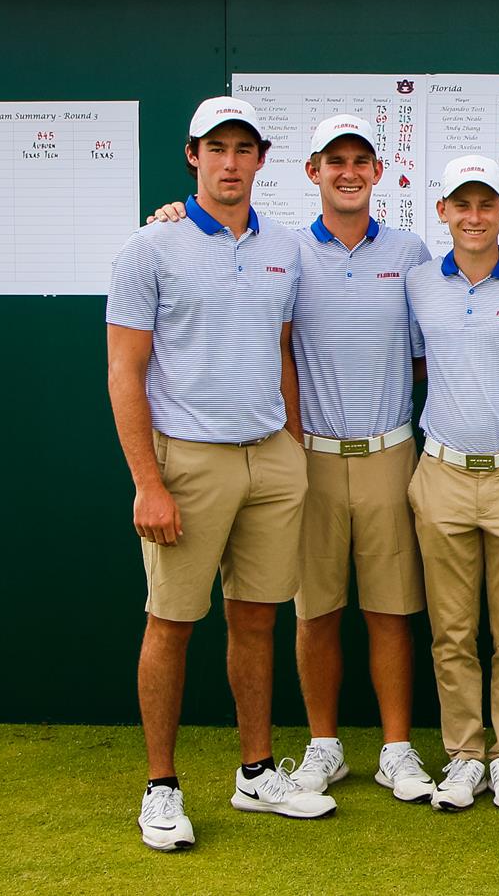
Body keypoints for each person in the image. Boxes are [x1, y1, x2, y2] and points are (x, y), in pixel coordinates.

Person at [144, 115, 439, 803]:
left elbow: (447, 326)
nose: (347, 171)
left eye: (359, 160)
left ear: (379, 171)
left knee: (392, 612)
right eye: (333, 160)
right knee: (315, 611)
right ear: (311, 172)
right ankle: (324, 746)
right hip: (304, 456)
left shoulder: (412, 252)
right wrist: (166, 216)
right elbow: (268, 339)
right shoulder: (285, 251)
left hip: (390, 449)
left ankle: (397, 750)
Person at [109, 96, 334, 851]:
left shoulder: (284, 247)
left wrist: (295, 446)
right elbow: (124, 369)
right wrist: (148, 480)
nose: (230, 162)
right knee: (171, 622)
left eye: (244, 149)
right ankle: (162, 789)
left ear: (261, 160)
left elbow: (280, 350)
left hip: (271, 455)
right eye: (217, 148)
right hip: (188, 459)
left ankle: (255, 771)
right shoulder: (152, 246)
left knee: (258, 617)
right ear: (192, 156)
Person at [405, 155, 499, 812]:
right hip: (439, 471)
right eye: (461, 205)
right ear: (441, 211)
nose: (473, 217)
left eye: (485, 204)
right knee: (452, 630)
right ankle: (465, 754)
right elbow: (412, 360)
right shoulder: (415, 283)